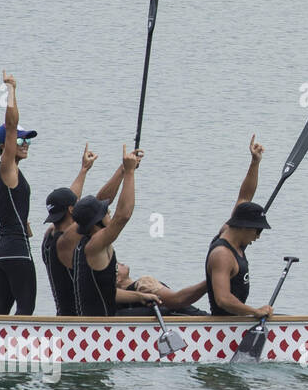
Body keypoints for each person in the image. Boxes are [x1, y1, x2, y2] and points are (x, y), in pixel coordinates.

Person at [72, 147, 160, 316]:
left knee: (151, 303)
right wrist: (129, 173)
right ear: (96, 222)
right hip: (99, 329)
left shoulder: (84, 239)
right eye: (106, 211)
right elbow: (123, 216)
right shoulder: (95, 244)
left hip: (99, 319)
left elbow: (108, 292)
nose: (109, 212)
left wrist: (139, 296)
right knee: (167, 311)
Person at [41, 144, 124, 315]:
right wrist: (124, 170)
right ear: (72, 210)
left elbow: (73, 198)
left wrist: (84, 170)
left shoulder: (50, 233)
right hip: (76, 321)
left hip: (64, 315)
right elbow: (99, 204)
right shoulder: (66, 240)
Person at [0, 71, 37, 315]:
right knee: (26, 307)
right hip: (16, 248)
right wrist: (12, 89)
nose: (25, 145)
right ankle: (21, 352)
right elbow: (11, 125)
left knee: (2, 307)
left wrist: (18, 222)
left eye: (27, 141)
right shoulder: (7, 166)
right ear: (6, 145)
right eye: (21, 141)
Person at [205, 136, 276, 318]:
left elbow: (245, 196)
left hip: (237, 319)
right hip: (224, 328)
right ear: (244, 227)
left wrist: (255, 162)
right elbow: (223, 299)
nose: (258, 237)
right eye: (257, 230)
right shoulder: (222, 255)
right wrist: (255, 311)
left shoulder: (230, 229)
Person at [114, 263, 209, 316]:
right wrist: (210, 280)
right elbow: (177, 299)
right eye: (116, 265)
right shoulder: (143, 283)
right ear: (118, 279)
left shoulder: (118, 304)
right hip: (199, 319)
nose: (120, 262)